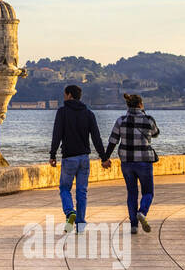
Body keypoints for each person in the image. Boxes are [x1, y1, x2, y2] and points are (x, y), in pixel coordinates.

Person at [49, 84, 106, 233]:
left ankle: (69, 212)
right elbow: (96, 137)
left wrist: (52, 154)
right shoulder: (88, 113)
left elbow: (57, 135)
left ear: (69, 95)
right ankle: (80, 223)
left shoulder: (62, 112)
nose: (63, 97)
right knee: (82, 191)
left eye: (64, 94)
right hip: (84, 158)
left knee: (64, 188)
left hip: (69, 158)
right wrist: (103, 157)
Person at [103, 93, 161, 234]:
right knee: (148, 192)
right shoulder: (148, 120)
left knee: (132, 193)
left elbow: (113, 141)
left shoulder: (120, 121)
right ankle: (142, 212)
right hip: (144, 162)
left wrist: (105, 158)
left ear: (128, 105)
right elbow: (156, 133)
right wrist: (144, 114)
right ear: (141, 104)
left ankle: (134, 225)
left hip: (127, 162)